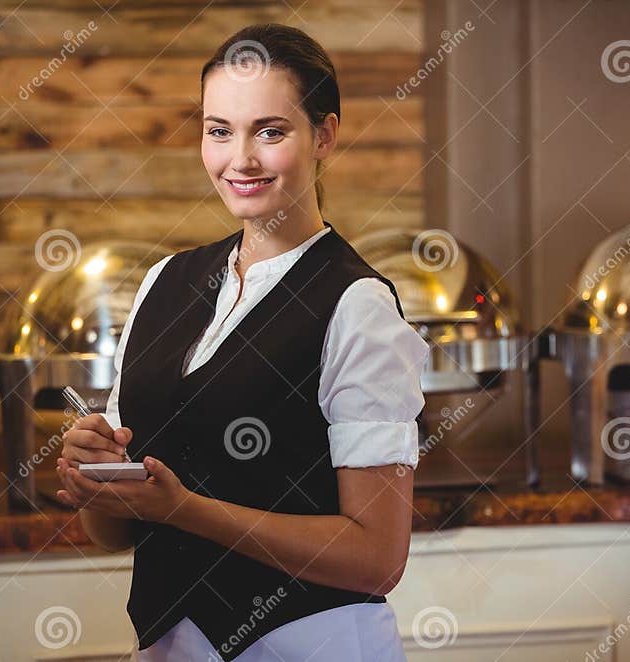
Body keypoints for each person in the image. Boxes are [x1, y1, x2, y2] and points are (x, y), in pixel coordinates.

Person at [56, 23, 429, 662]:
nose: (241, 160)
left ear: (326, 136)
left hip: (313, 645)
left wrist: (185, 509)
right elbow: (113, 532)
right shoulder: (163, 283)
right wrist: (98, 476)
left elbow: (377, 559)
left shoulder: (357, 304)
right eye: (219, 130)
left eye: (271, 131)